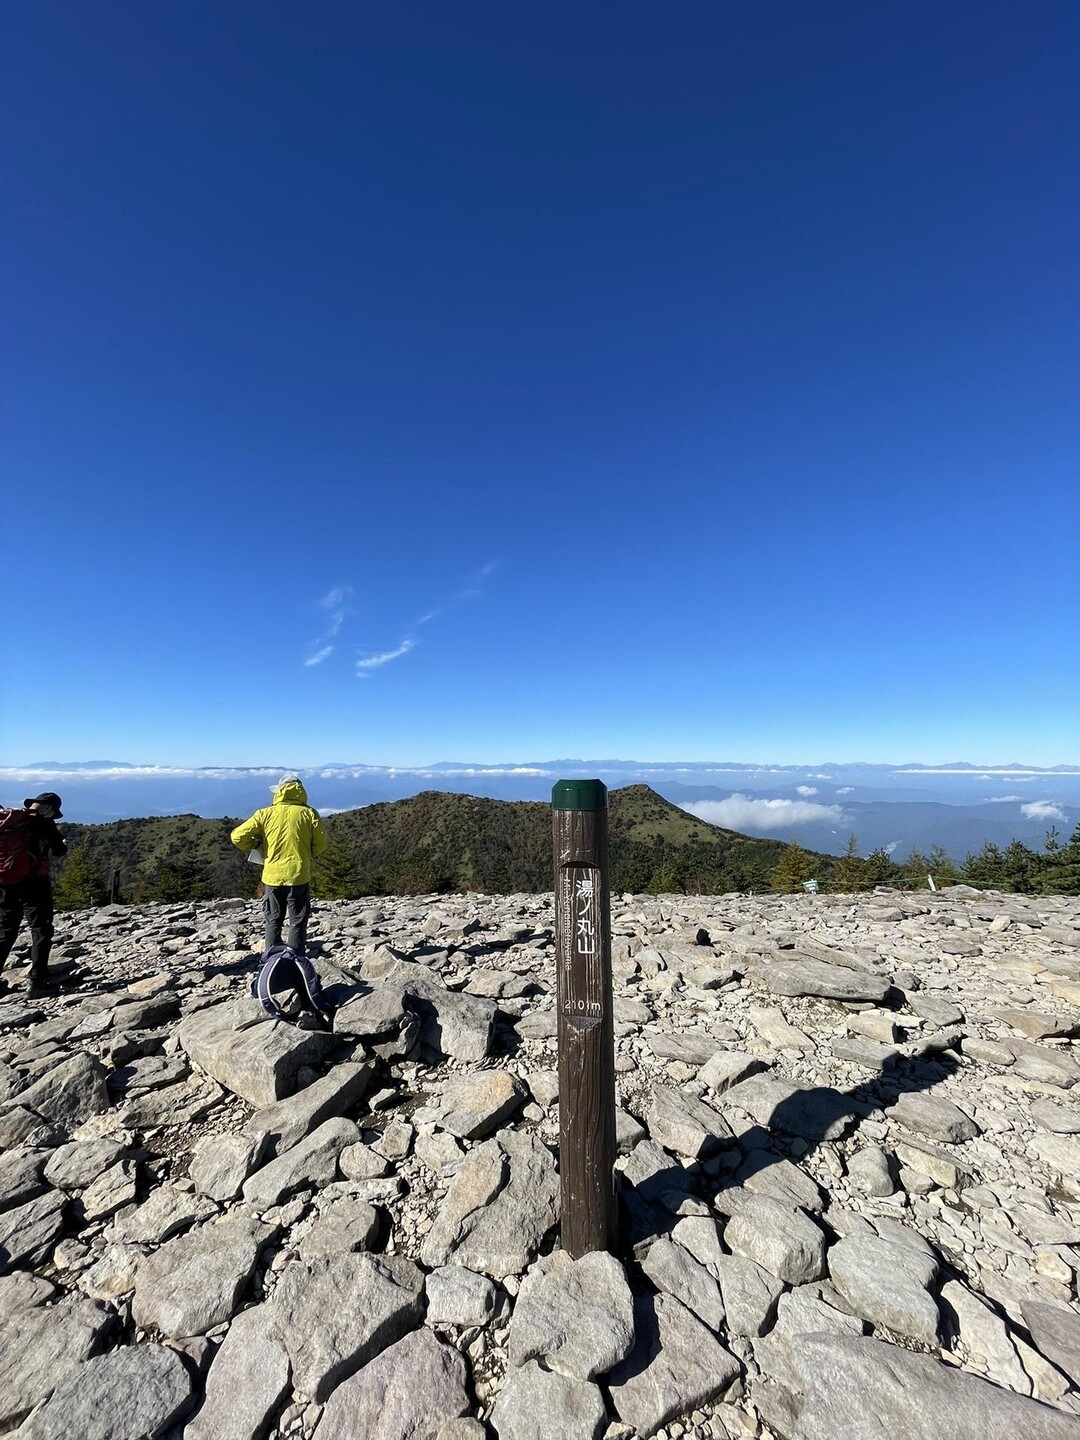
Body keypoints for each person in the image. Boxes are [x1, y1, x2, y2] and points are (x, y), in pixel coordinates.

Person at [230, 774, 327, 954]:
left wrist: (257, 845)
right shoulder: (309, 813)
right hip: (298, 875)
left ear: (280, 792)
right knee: (297, 920)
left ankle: (271, 959)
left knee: (273, 918)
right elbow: (321, 843)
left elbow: (237, 837)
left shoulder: (264, 814)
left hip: (272, 876)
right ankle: (296, 959)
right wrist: (306, 854)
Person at [0, 792, 68, 994]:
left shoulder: (9, 820)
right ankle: (37, 981)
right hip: (34, 883)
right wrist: (62, 844)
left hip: (4, 882)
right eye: (53, 811)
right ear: (47, 807)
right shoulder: (44, 824)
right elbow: (58, 851)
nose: (52, 815)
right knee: (41, 929)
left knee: (5, 931)